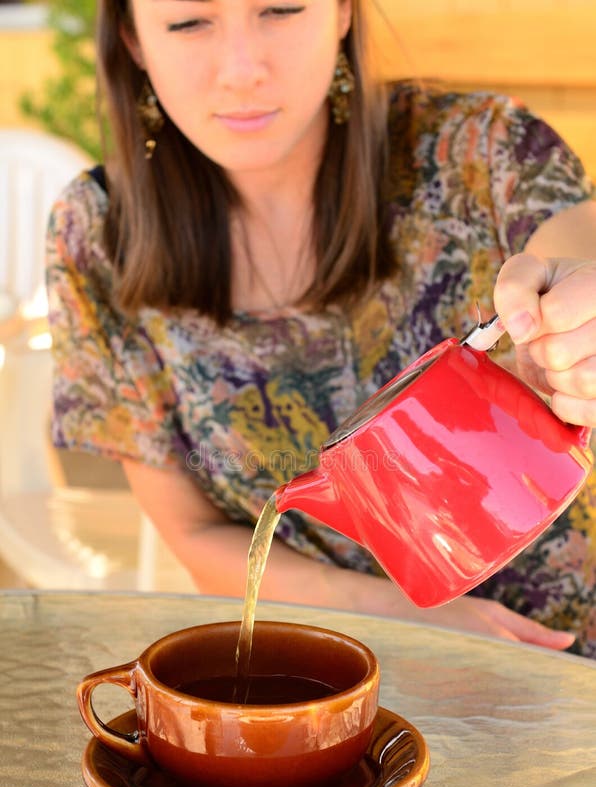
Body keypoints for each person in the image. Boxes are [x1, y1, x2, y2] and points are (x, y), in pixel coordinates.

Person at [46, 0, 596, 656]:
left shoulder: (476, 151)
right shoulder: (101, 233)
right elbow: (193, 534)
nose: (243, 69)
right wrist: (405, 618)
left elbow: (572, 245)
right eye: (190, 23)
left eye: (279, 9)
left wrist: (572, 302)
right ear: (134, 39)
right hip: (335, 668)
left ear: (341, 11)